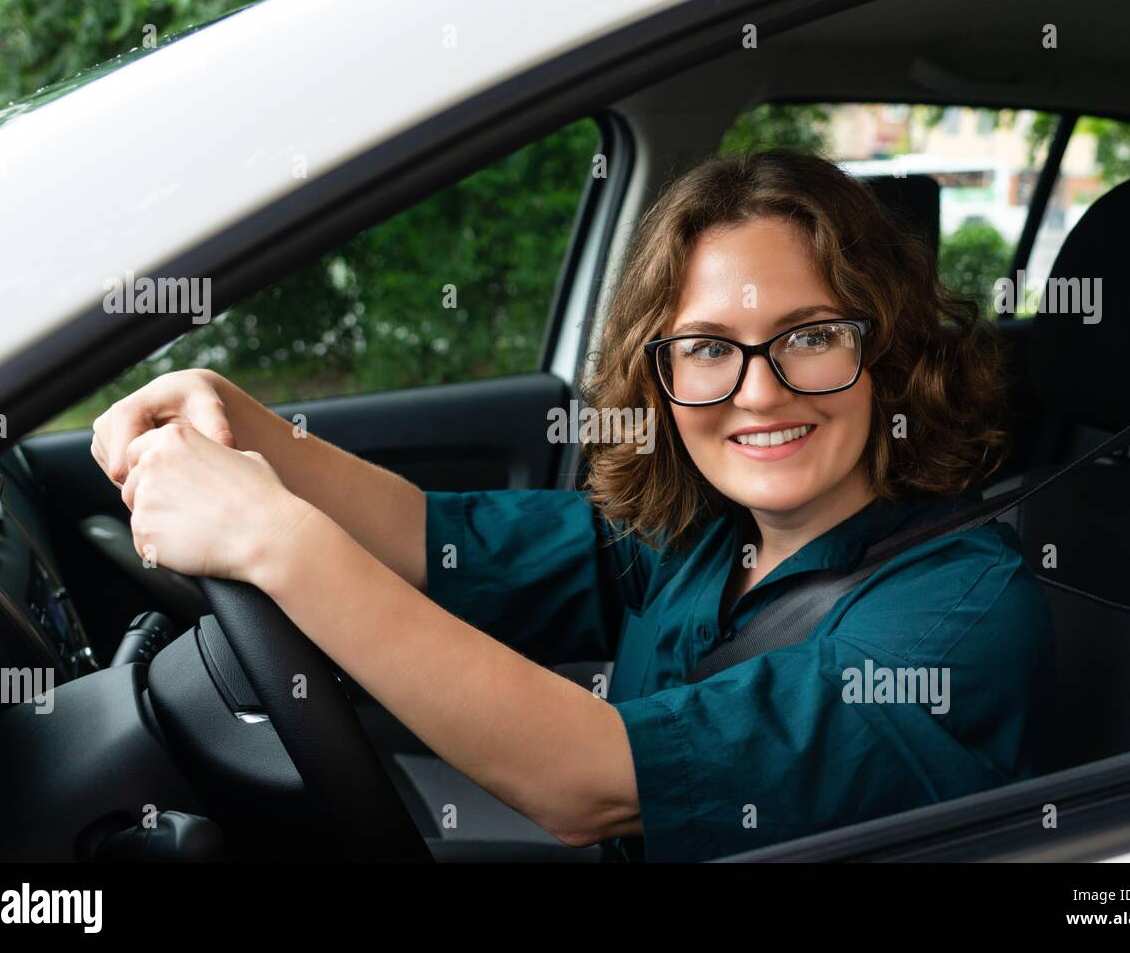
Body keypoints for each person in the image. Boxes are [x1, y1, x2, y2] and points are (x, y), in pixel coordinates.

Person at [90, 149, 1055, 862]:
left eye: (809, 336)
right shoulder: (700, 537)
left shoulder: (958, 617)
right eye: (709, 347)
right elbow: (439, 544)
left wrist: (272, 540)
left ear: (887, 351)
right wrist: (248, 423)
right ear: (662, 374)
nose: (758, 392)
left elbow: (585, 780)